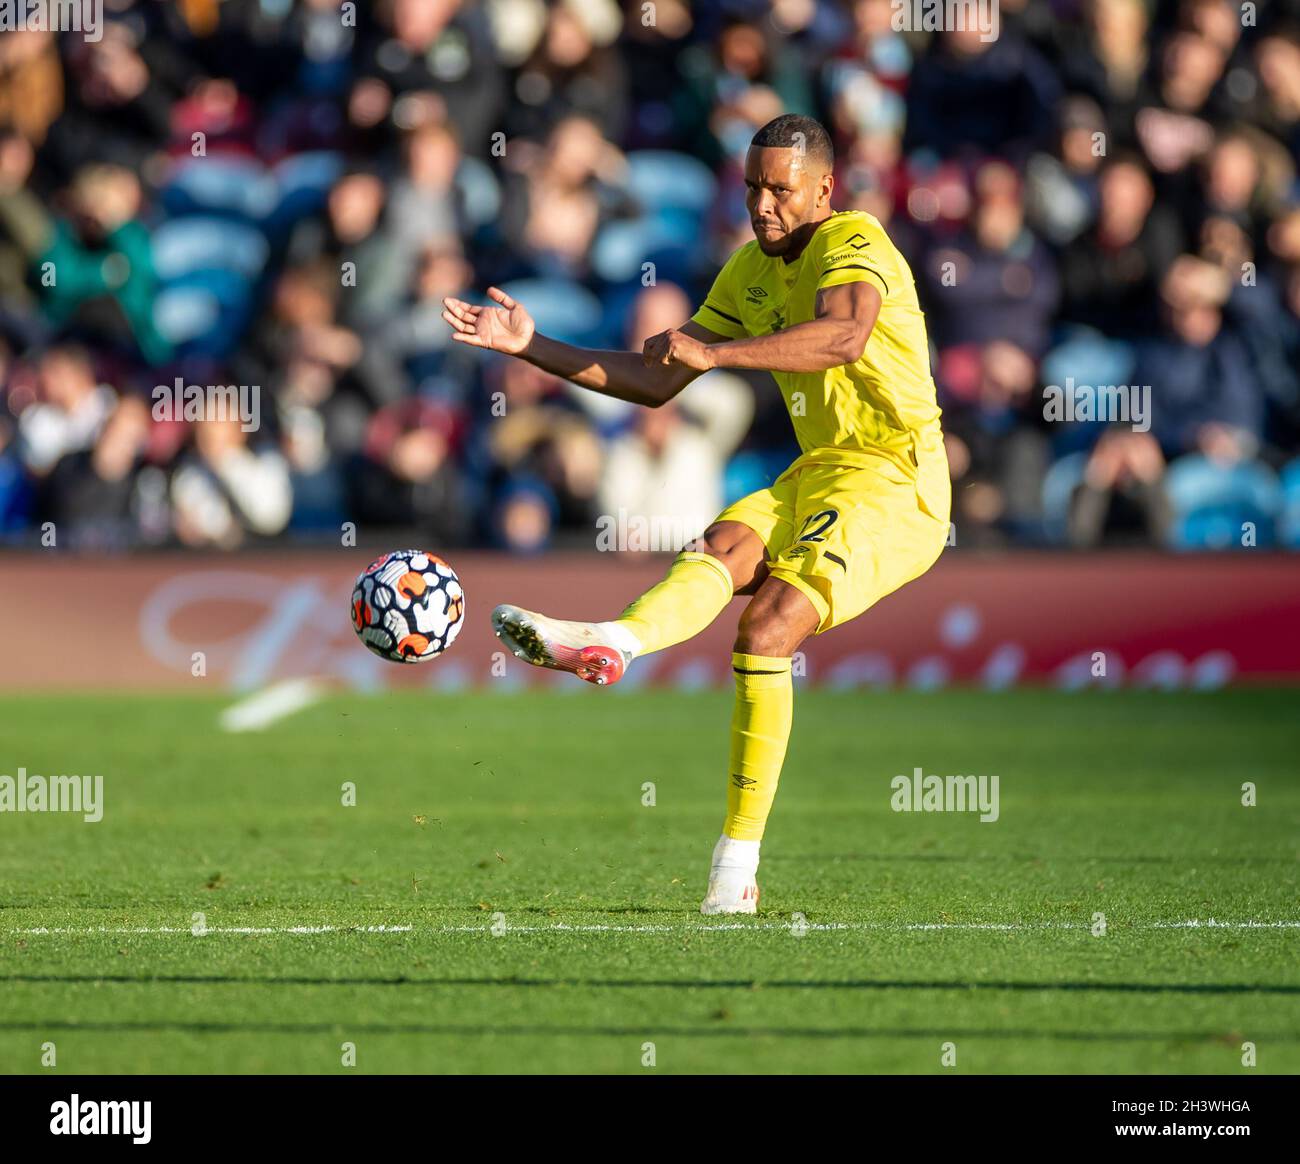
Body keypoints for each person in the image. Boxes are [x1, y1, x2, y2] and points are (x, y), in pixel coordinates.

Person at [441, 115, 950, 915]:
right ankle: (614, 642)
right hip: (819, 473)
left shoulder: (856, 239)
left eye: (781, 188)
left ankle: (733, 866)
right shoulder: (748, 272)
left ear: (823, 187)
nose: (763, 203)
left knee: (771, 626)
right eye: (752, 186)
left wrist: (718, 355)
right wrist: (533, 346)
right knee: (721, 544)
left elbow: (846, 337)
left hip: (897, 483)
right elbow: (654, 379)